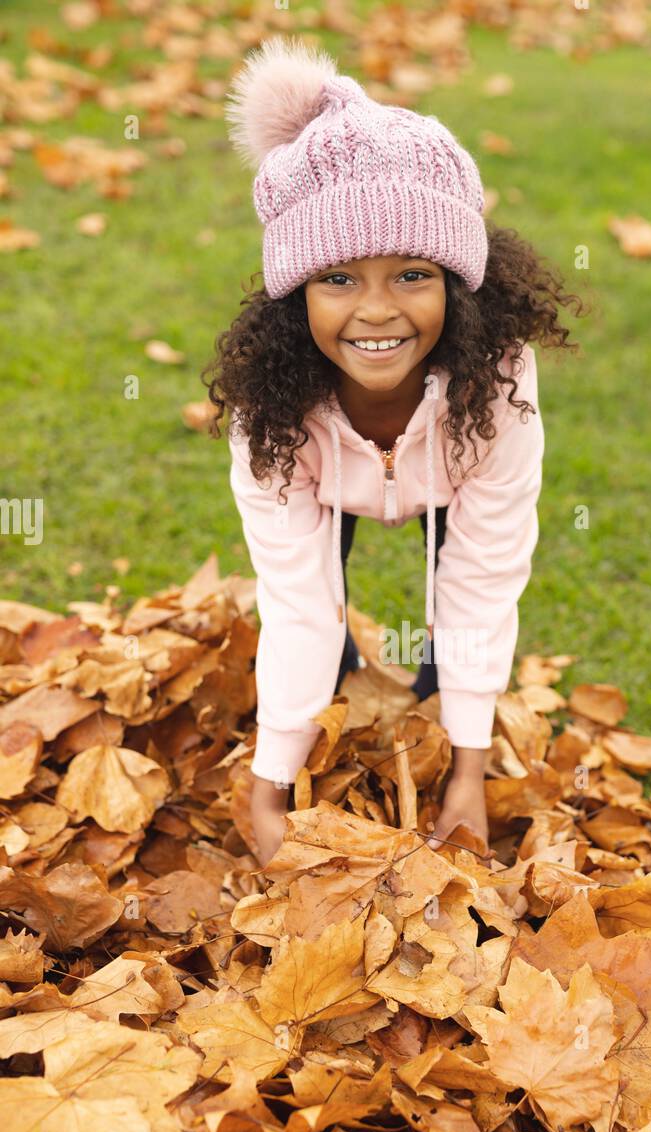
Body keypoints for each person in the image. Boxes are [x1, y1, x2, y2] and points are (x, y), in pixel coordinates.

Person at [204, 37, 583, 866]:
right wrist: (270, 786)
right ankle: (326, 698)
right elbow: (295, 597)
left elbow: (483, 578)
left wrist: (469, 774)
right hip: (328, 484)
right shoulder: (271, 411)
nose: (375, 311)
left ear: (458, 280)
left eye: (412, 273)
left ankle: (436, 717)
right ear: (293, 291)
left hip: (443, 480)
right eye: (337, 278)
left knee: (450, 661)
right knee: (317, 634)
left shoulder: (497, 388)